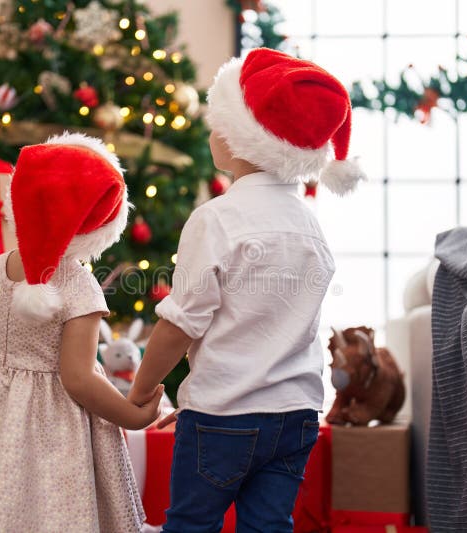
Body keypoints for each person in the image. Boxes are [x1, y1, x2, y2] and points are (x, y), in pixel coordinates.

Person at [128, 48, 365, 532]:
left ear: (239, 141)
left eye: (219, 123)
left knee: (192, 523)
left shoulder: (216, 219)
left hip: (224, 413)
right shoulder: (310, 226)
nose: (211, 132)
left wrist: (143, 390)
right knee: (269, 525)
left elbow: (180, 324)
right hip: (297, 415)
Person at [0, 133, 162, 532]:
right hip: (54, 431)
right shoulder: (78, 285)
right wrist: (131, 415)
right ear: (98, 224)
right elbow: (77, 378)